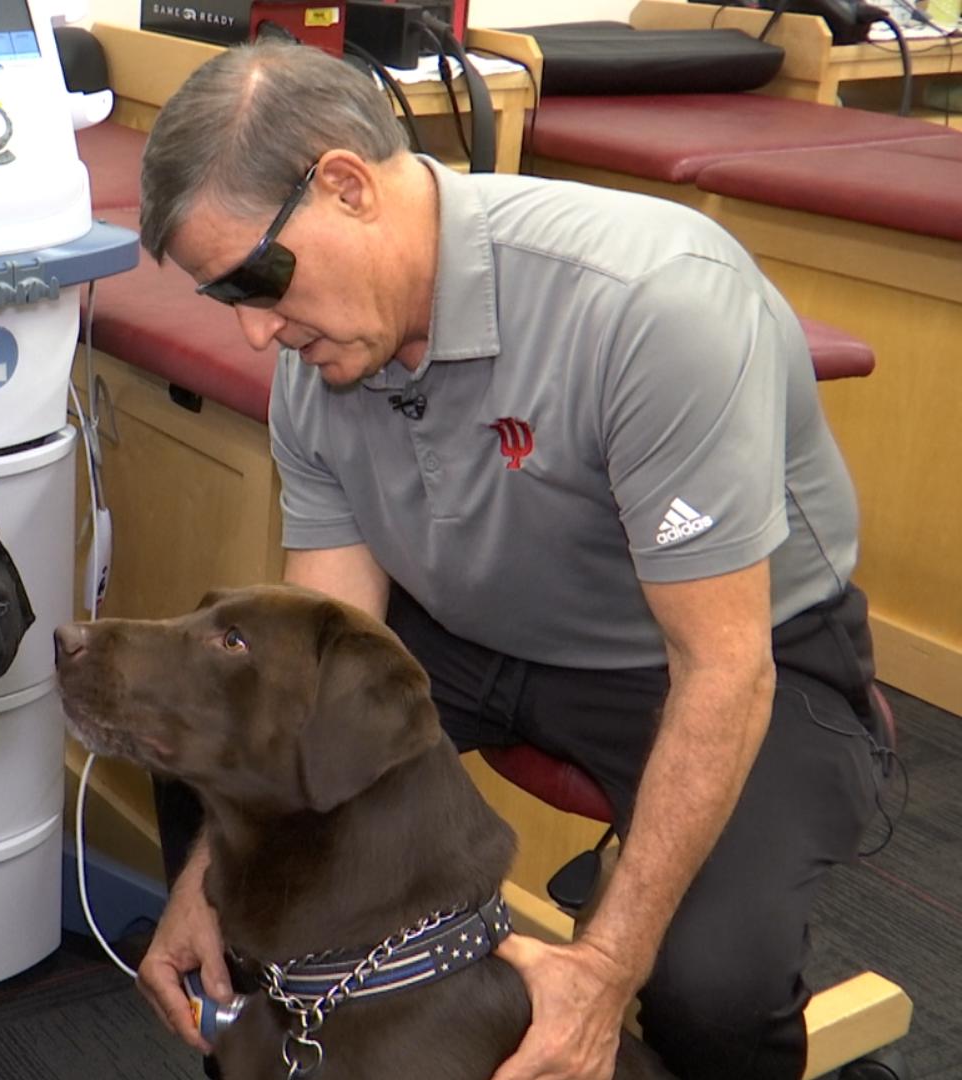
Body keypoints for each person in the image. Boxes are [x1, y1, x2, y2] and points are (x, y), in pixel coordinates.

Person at [132, 42, 888, 1080]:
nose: (258, 331)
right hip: (463, 629)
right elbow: (300, 671)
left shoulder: (649, 302)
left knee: (711, 992)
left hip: (711, 655)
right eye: (228, 299)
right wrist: (213, 883)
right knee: (206, 723)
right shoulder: (323, 354)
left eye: (259, 277)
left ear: (347, 184)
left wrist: (607, 969)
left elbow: (723, 669)